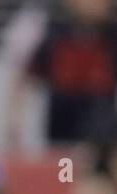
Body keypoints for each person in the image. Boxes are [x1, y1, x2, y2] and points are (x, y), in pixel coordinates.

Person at [8, 0, 117, 149]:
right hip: (61, 124)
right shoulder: (55, 35)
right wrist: (14, 123)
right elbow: (27, 77)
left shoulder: (111, 38)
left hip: (101, 125)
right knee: (64, 167)